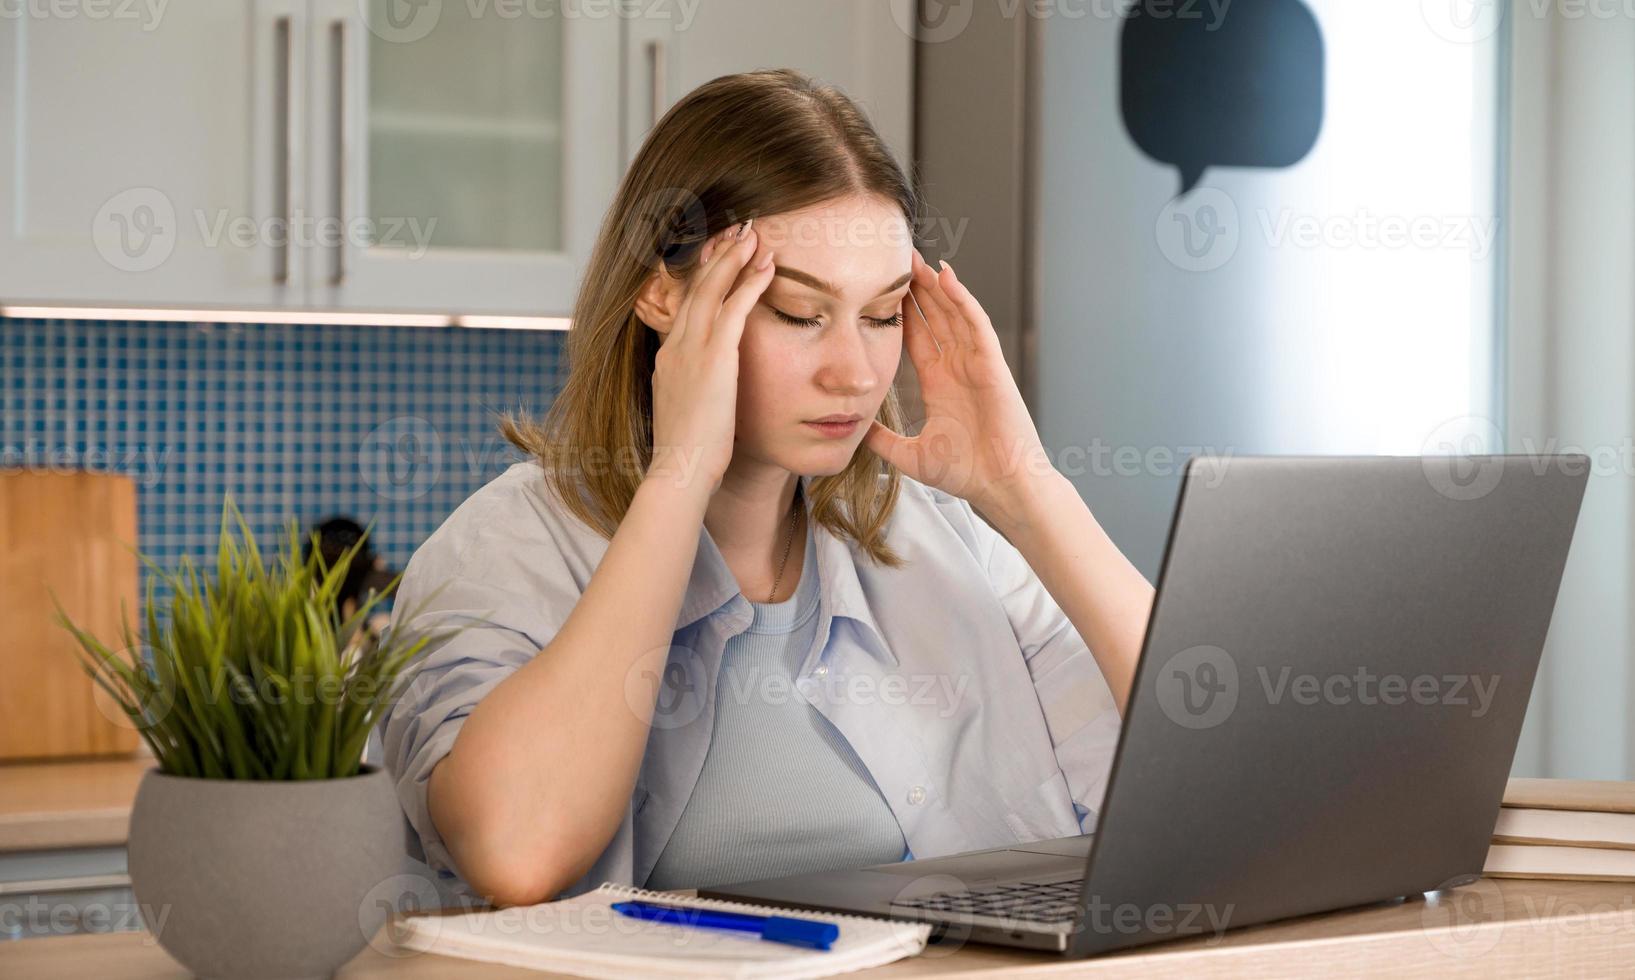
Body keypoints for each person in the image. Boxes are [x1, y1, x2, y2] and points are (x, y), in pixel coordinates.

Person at [376, 68, 1155, 909]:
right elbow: (517, 856)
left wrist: (1027, 491)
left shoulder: (947, 544)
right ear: (661, 292)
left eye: (882, 316)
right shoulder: (503, 547)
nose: (854, 373)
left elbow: (1213, 782)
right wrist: (680, 475)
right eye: (797, 313)